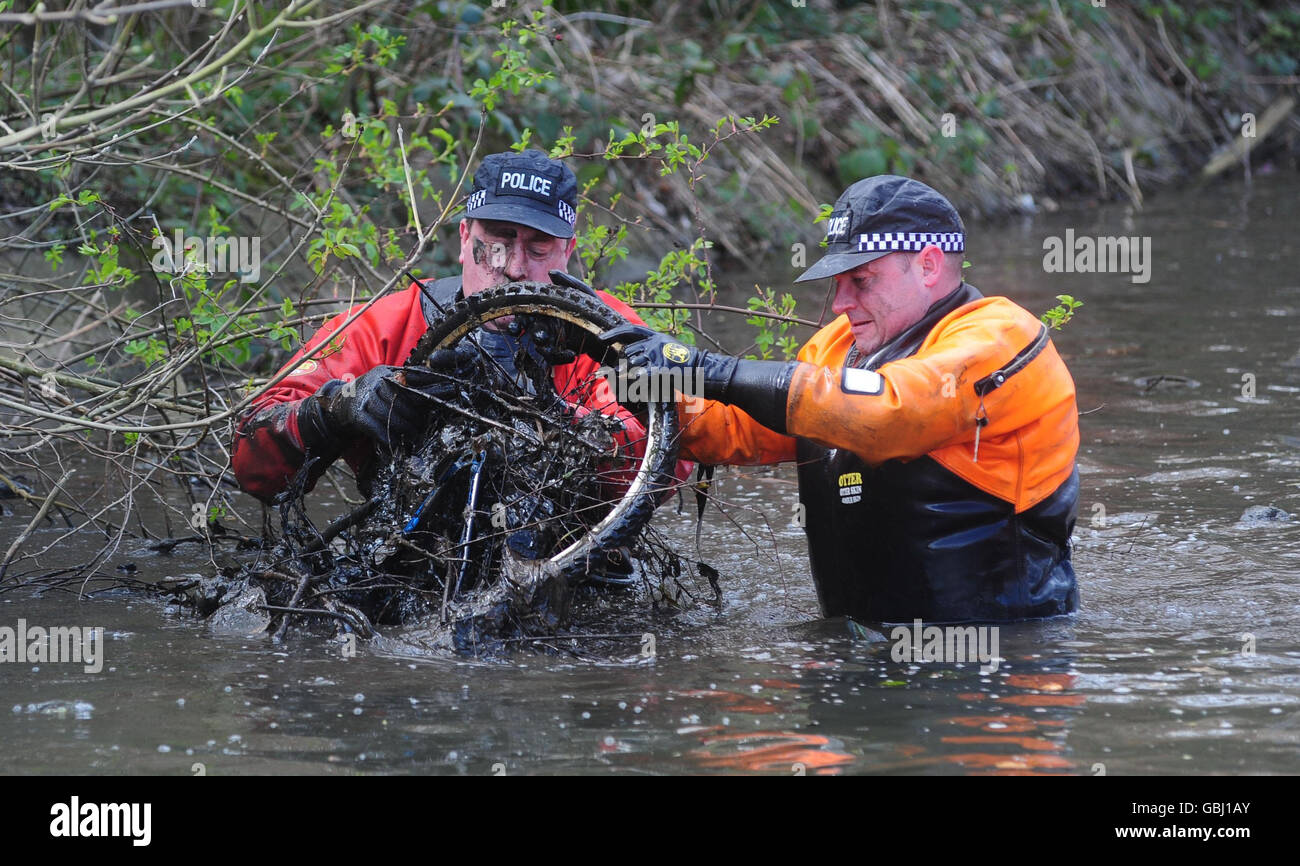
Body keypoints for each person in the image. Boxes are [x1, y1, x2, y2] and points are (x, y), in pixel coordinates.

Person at [602, 175, 1080, 623]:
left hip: (998, 663)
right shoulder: (837, 346)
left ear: (929, 265)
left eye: (862, 281)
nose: (840, 303)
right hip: (858, 653)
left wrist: (710, 369)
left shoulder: (1002, 335)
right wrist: (638, 388)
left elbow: (893, 412)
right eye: (838, 284)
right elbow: (740, 428)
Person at [232, 150, 663, 504]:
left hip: (571, 559)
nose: (514, 267)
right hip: (407, 561)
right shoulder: (382, 327)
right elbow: (253, 465)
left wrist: (558, 424)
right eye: (498, 241)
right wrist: (336, 409)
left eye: (538, 247)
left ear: (566, 251)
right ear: (464, 238)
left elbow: (664, 459)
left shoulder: (609, 331)